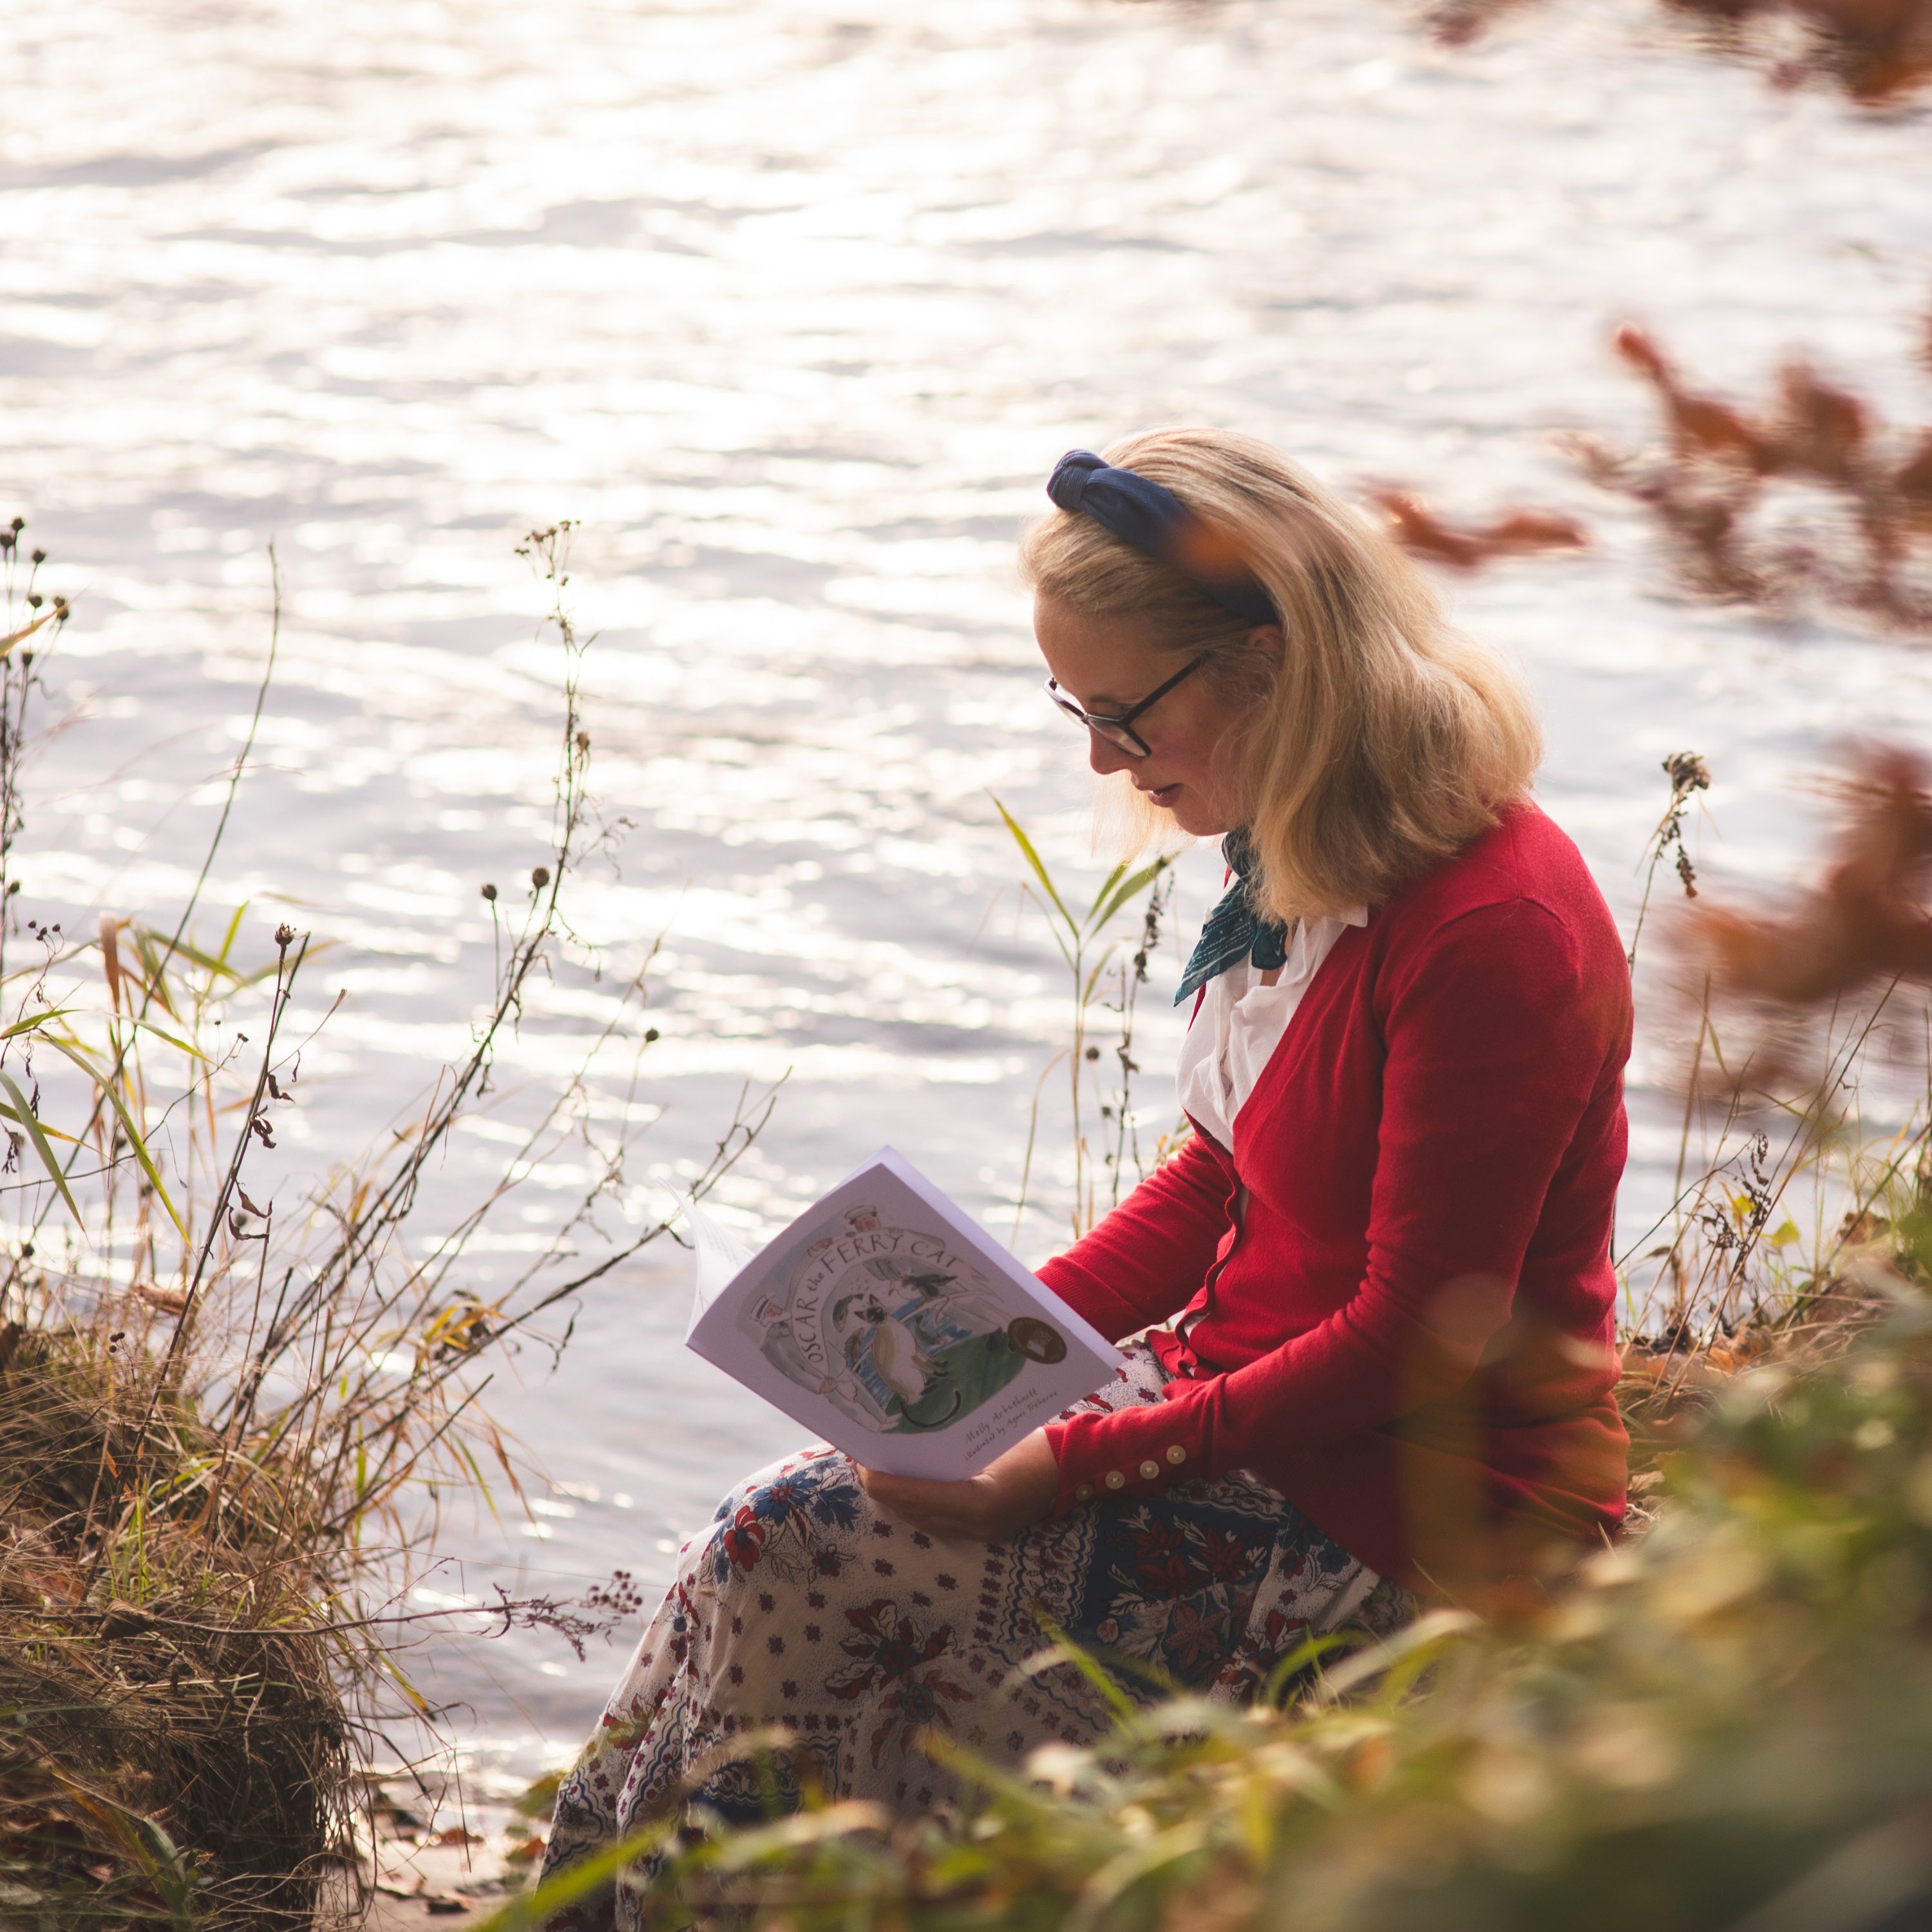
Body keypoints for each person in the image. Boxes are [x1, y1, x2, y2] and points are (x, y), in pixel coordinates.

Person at [537, 428, 1631, 1926]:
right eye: (1075, 705)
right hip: (1248, 1410)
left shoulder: (1487, 926)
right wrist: (1001, 1344)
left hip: (1414, 1513)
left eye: (1121, 711)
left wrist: (1072, 1455)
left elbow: (1412, 1337)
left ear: (1271, 666)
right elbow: (1222, 1179)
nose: (1101, 756)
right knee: (773, 1537)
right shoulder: (1307, 849)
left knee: (787, 1547)